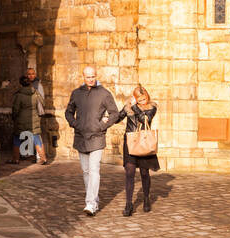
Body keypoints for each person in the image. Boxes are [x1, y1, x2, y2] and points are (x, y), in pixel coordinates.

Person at [64, 66, 119, 215]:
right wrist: (75, 124)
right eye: (88, 77)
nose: (91, 79)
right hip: (81, 137)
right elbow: (68, 113)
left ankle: (90, 203)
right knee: (86, 171)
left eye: (93, 76)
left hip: (97, 137)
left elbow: (115, 114)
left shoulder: (104, 94)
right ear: (83, 77)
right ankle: (93, 201)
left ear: (96, 76)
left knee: (94, 170)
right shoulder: (76, 93)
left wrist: (102, 126)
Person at [116, 84, 159, 216]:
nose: (142, 102)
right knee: (129, 172)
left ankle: (146, 198)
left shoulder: (152, 107)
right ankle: (129, 204)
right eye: (139, 100)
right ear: (134, 98)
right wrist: (106, 119)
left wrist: (135, 106)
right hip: (130, 143)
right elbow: (118, 118)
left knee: (144, 173)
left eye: (144, 99)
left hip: (144, 143)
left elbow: (144, 119)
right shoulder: (129, 107)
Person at [10, 76, 45, 164]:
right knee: (36, 137)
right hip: (34, 118)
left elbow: (16, 109)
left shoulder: (19, 95)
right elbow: (42, 102)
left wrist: (14, 117)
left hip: (21, 120)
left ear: (20, 84)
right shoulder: (35, 92)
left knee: (17, 137)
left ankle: (16, 158)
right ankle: (43, 158)